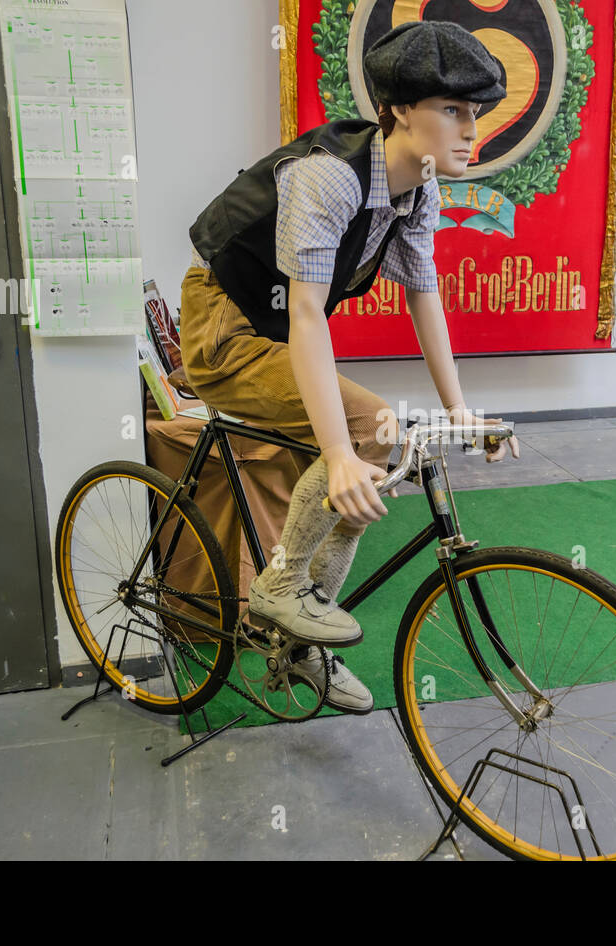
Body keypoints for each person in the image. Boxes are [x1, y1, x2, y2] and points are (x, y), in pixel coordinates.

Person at [180, 21, 519, 714]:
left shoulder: (415, 189)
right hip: (225, 326)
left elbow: (425, 296)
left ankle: (300, 641)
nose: (471, 128)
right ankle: (278, 591)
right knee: (369, 429)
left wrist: (459, 410)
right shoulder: (327, 178)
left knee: (372, 446)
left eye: (475, 112)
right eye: (453, 109)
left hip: (272, 327)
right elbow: (307, 316)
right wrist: (337, 451)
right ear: (398, 111)